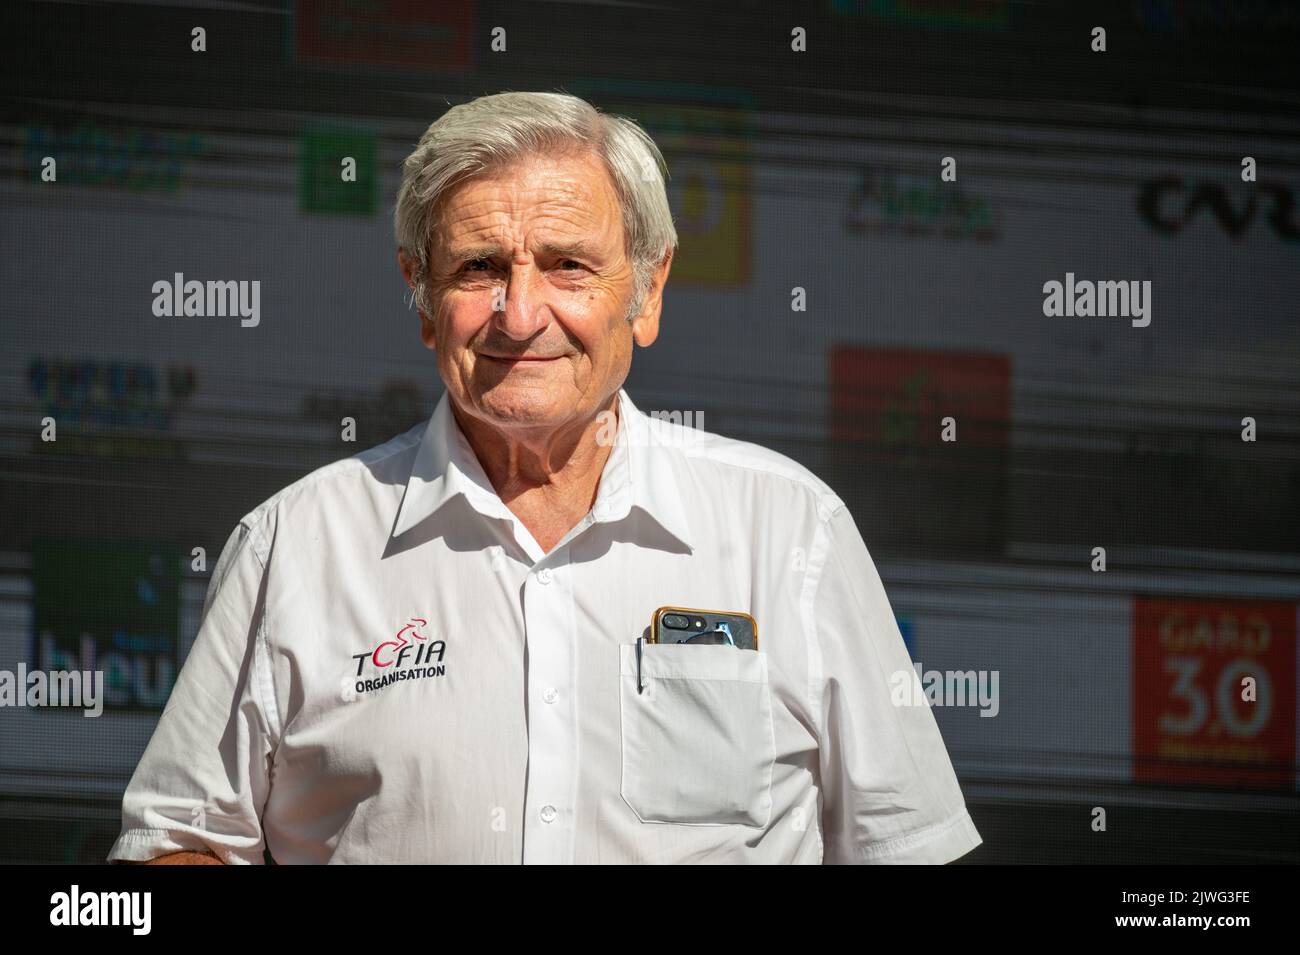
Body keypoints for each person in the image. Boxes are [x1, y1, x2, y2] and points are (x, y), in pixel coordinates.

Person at [108, 91, 981, 864]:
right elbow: (180, 843)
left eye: (567, 263)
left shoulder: (791, 531)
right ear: (420, 295)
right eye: (479, 268)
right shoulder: (293, 546)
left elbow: (905, 844)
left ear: (647, 289)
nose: (521, 315)